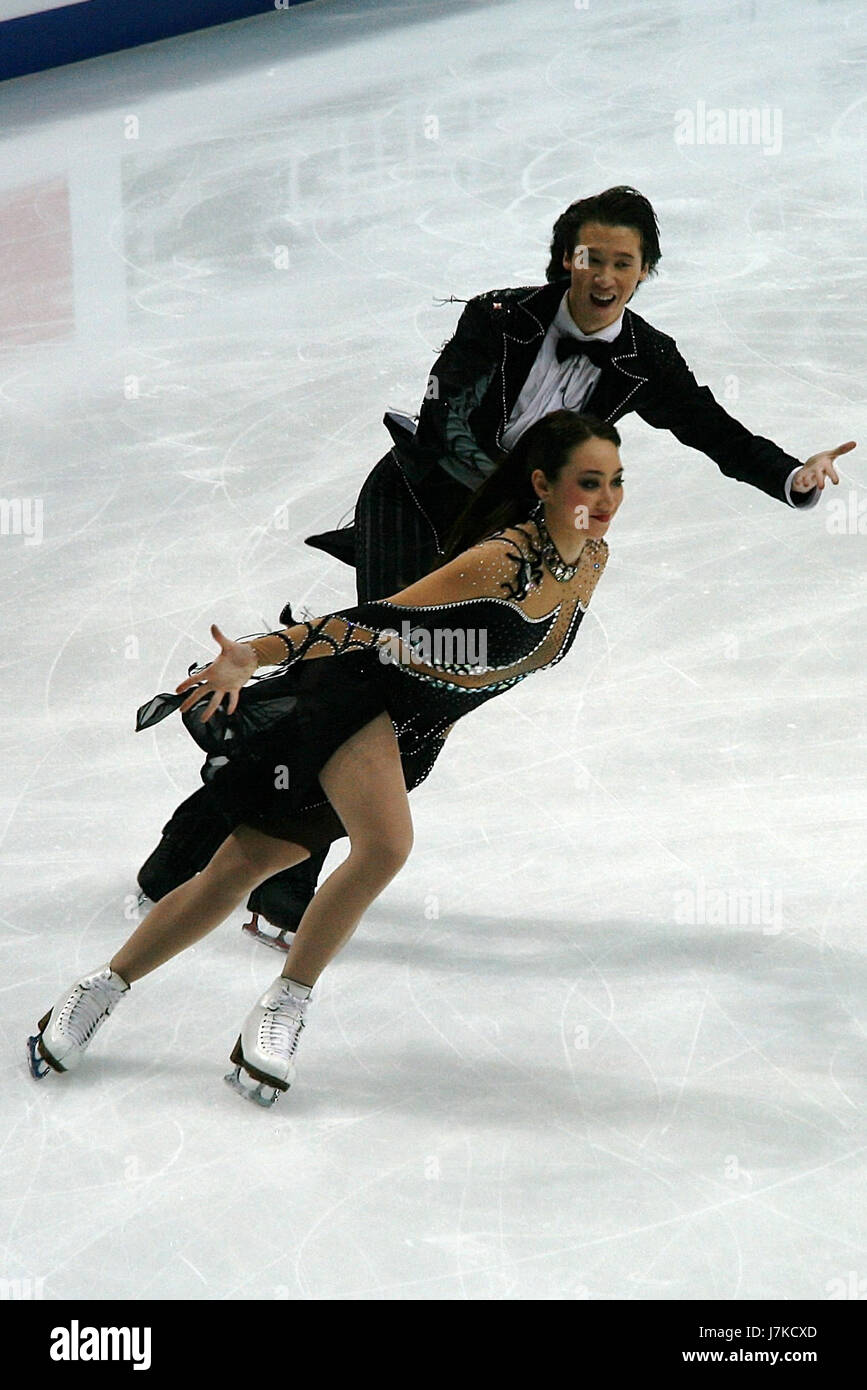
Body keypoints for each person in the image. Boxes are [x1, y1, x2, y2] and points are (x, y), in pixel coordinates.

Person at [136, 185, 855, 941]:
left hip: (497, 539)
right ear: (564, 260)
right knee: (365, 684)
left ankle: (194, 855)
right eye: (590, 258)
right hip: (419, 505)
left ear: (645, 271)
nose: (604, 276)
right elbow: (445, 421)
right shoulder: (499, 318)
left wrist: (790, 477)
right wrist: (525, 496)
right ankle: (276, 885)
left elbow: (713, 430)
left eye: (623, 262)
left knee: (392, 703)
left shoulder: (647, 358)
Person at [28, 412, 622, 1106]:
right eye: (588, 482)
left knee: (236, 872)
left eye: (615, 482)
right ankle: (285, 1004)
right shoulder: (499, 560)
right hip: (358, 705)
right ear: (542, 485)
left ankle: (100, 986)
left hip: (411, 736)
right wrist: (255, 654)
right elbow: (369, 622)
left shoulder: (590, 561)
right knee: (385, 847)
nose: (605, 499)